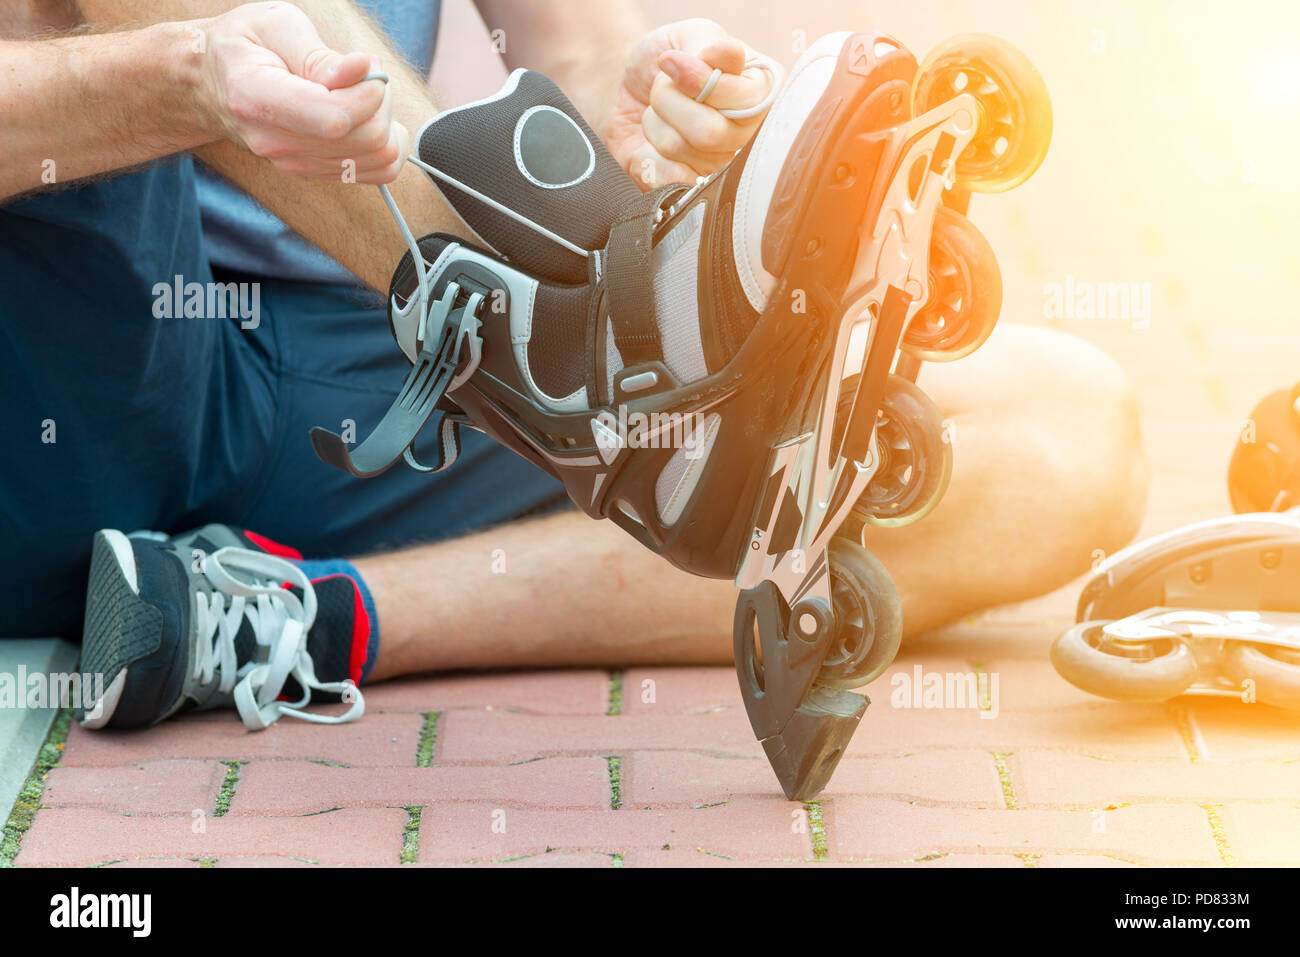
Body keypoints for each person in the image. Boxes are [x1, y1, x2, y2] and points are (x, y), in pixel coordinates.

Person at [0, 0, 1147, 730]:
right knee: (621, 361)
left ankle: (276, 621)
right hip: (73, 360)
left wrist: (658, 104)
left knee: (1063, 432)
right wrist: (176, 75)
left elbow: (579, 45)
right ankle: (570, 351)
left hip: (349, 355)